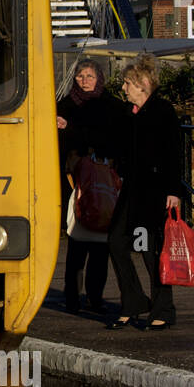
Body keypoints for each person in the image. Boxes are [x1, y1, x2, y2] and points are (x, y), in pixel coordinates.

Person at [105, 54, 184, 330]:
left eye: (128, 83)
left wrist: (174, 189)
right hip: (132, 190)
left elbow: (174, 151)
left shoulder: (162, 111)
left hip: (155, 191)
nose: (124, 88)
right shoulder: (129, 114)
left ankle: (164, 308)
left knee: (153, 251)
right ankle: (134, 299)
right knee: (116, 240)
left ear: (144, 84)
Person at [55, 58, 127, 314]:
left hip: (104, 179)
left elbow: (111, 139)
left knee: (99, 243)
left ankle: (95, 296)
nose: (84, 81)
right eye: (80, 76)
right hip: (76, 181)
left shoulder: (110, 107)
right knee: (77, 239)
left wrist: (71, 129)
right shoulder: (64, 105)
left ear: (99, 79)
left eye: (89, 76)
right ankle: (73, 296)